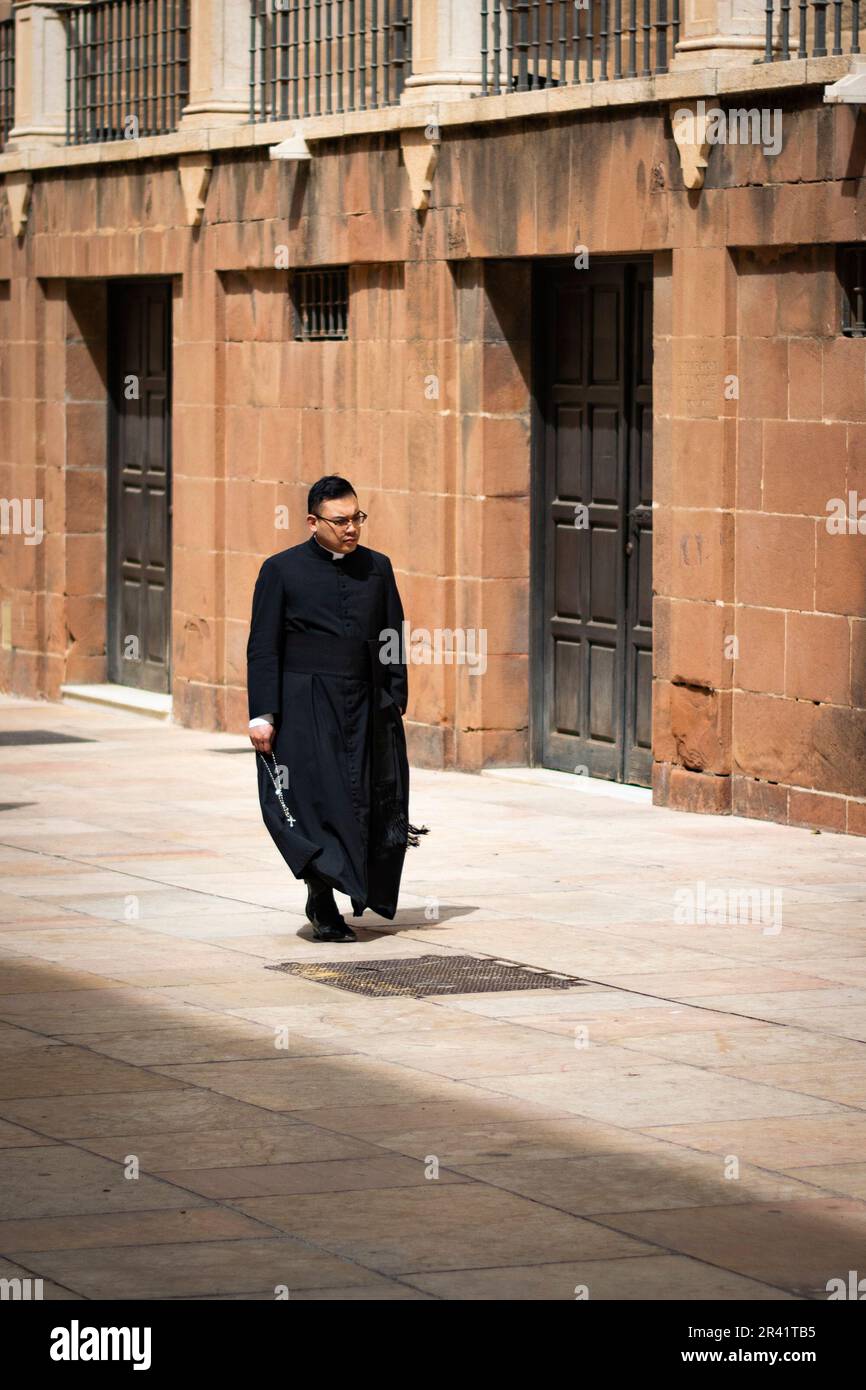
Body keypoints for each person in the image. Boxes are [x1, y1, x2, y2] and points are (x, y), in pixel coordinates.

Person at [246, 476, 427, 942]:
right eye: (341, 520)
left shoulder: (377, 568)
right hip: (305, 704)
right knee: (315, 802)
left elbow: (391, 635)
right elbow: (263, 646)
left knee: (365, 797)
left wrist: (395, 697)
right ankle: (321, 897)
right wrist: (263, 713)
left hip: (366, 702)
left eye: (357, 518)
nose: (352, 529)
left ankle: (358, 889)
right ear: (312, 522)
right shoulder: (280, 570)